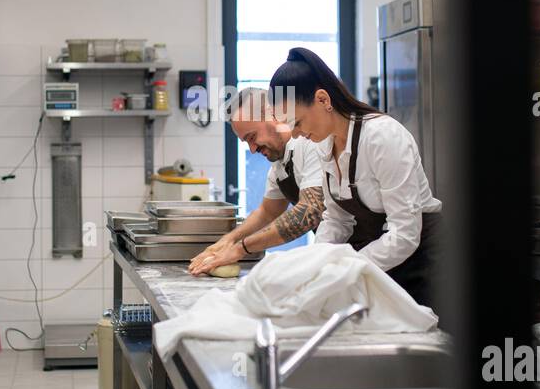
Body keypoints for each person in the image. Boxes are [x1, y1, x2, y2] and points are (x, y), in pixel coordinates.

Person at [268, 47, 442, 309]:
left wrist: (346, 268)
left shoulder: (382, 137)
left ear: (323, 99)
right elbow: (337, 219)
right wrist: (314, 265)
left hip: (428, 264)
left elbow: (405, 234)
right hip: (386, 265)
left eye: (297, 122)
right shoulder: (323, 145)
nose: (294, 135)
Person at [187, 86, 325, 276]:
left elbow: (310, 210)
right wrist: (228, 240)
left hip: (367, 253)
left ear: (273, 116)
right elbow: (267, 212)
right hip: (336, 254)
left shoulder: (310, 143)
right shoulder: (279, 166)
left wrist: (240, 249)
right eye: (247, 142)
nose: (252, 149)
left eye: (252, 137)